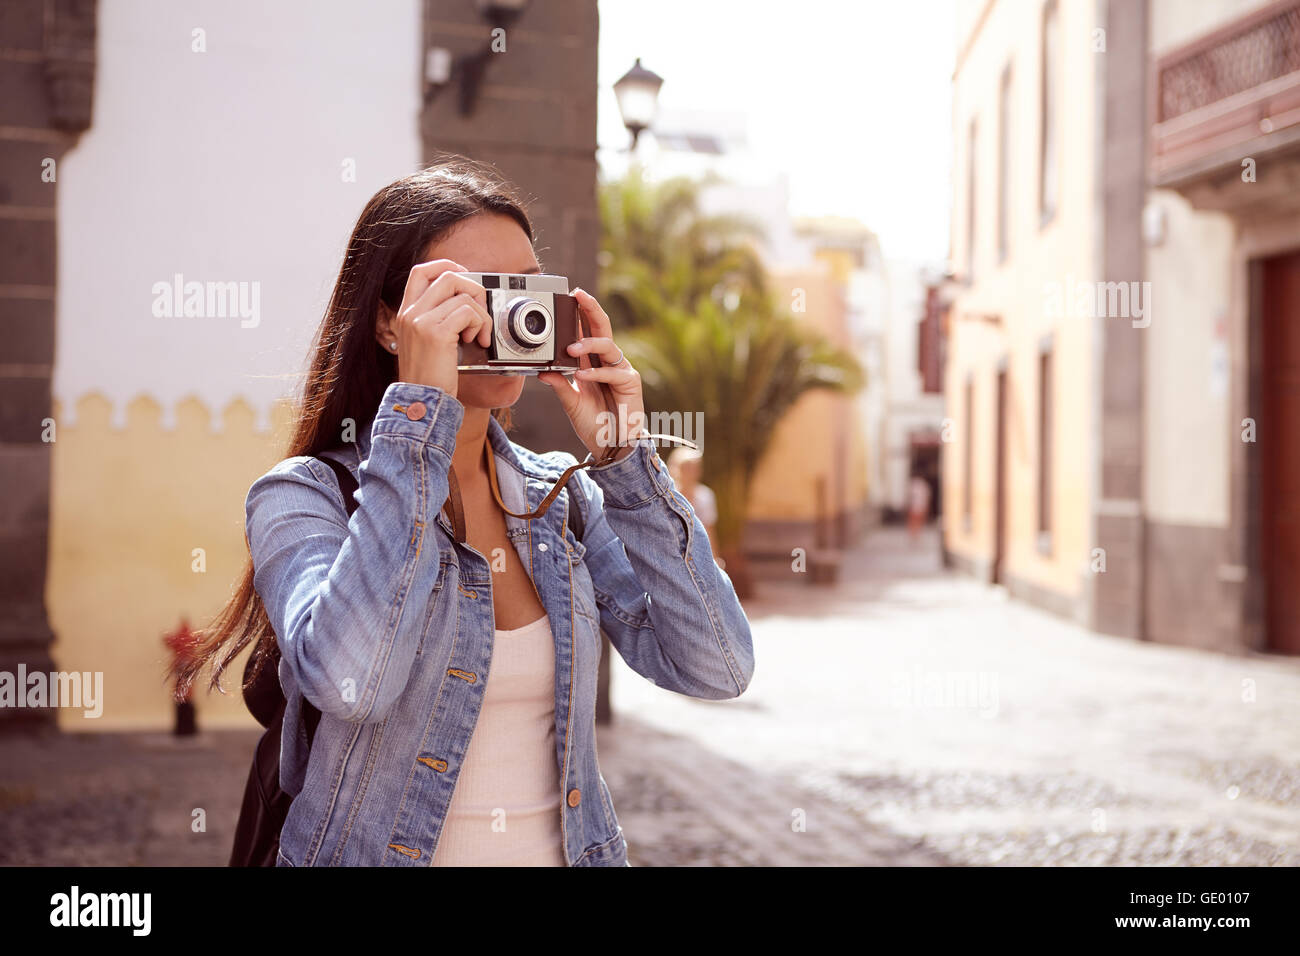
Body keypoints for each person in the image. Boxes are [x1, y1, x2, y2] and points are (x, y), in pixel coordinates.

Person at [175, 156, 754, 867]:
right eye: (468, 294)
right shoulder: (304, 496)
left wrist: (623, 456)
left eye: (523, 289)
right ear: (390, 324)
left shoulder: (560, 500)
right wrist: (420, 413)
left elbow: (717, 667)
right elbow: (355, 684)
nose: (501, 319)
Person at [667, 447, 724, 569]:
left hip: (698, 552)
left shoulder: (706, 496)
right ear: (675, 468)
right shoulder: (668, 495)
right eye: (687, 468)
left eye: (695, 468)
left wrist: (714, 559)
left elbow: (709, 531)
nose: (691, 472)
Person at [907, 473, 932, 543]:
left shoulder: (914, 484)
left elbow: (909, 496)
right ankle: (915, 534)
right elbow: (927, 497)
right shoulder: (923, 485)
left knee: (914, 520)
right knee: (917, 520)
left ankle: (914, 534)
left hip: (916, 505)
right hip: (919, 505)